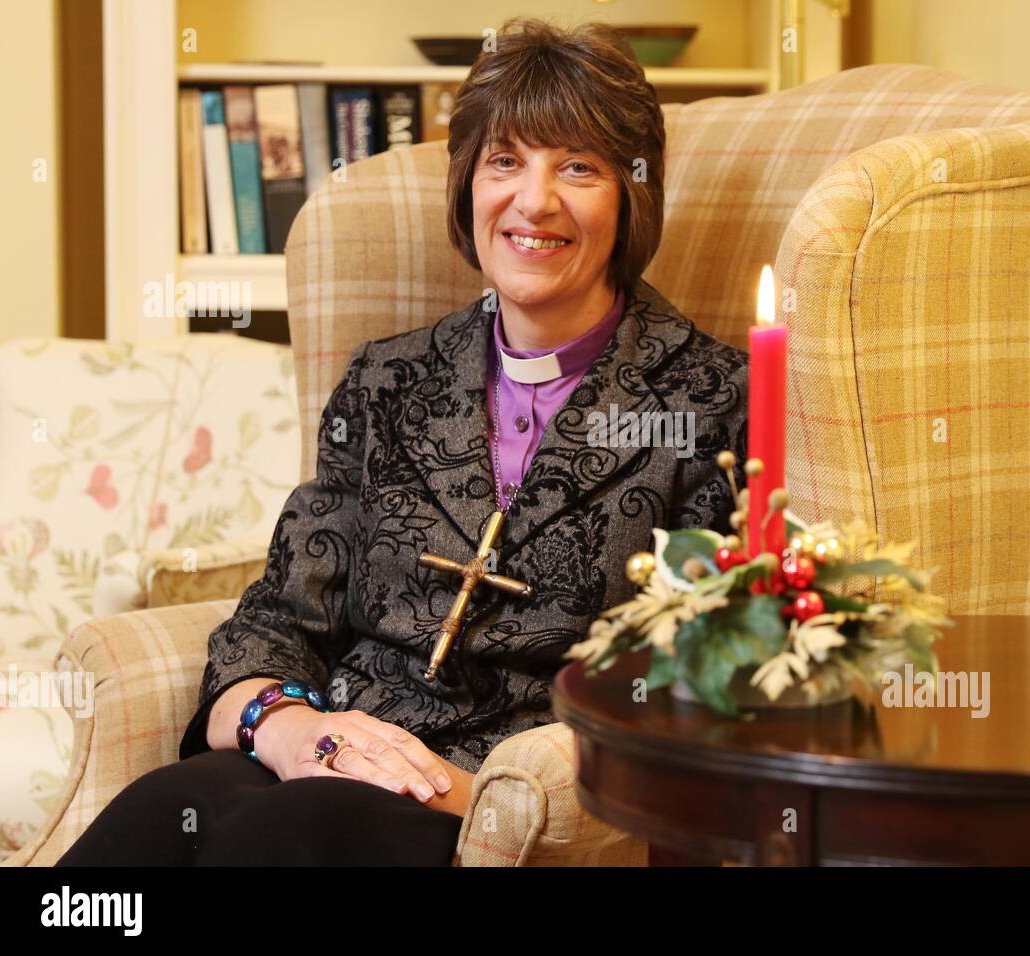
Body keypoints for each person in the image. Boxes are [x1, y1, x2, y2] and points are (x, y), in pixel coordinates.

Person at [58, 17, 748, 866]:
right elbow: (279, 616)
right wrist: (291, 731)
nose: (534, 201)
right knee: (164, 811)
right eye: (505, 161)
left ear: (631, 195)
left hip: (494, 798)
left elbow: (694, 684)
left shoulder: (714, 402)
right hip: (331, 750)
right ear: (468, 187)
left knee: (282, 835)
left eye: (578, 167)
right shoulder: (386, 379)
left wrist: (472, 792)